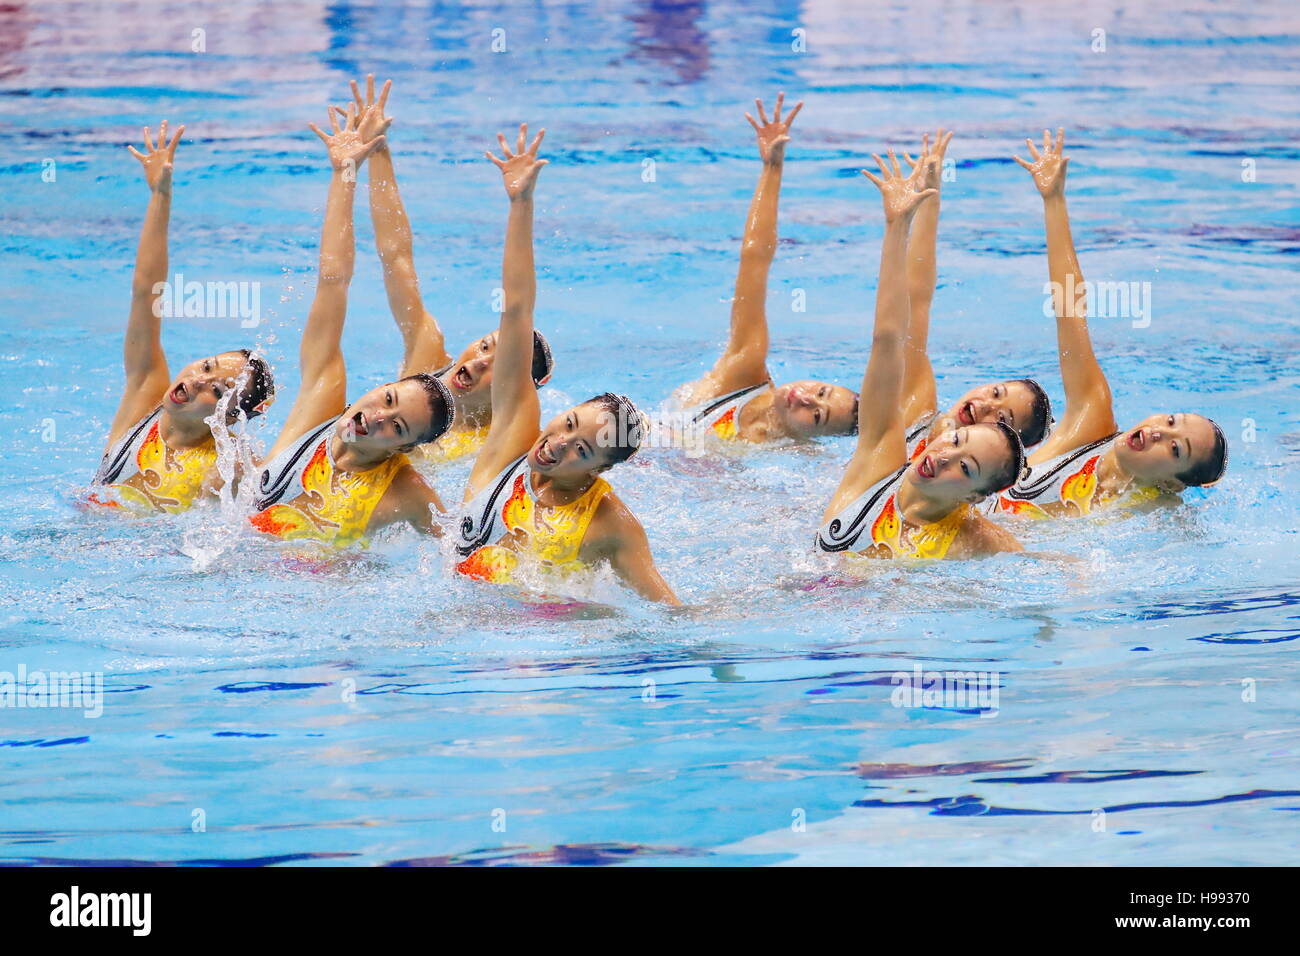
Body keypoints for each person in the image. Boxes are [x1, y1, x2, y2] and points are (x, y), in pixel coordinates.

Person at [455, 124, 679, 604]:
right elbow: (516, 311)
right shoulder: (513, 442)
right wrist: (520, 204)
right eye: (568, 423)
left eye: (580, 450)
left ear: (599, 470)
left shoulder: (612, 527)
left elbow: (668, 611)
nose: (555, 445)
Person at [985, 129, 1227, 518]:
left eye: (1174, 448)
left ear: (1170, 483)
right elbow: (1069, 309)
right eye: (1169, 420)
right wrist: (1053, 200)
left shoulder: (1151, 515)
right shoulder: (1090, 422)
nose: (1157, 432)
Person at [249, 103, 452, 548]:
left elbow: (457, 556)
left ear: (404, 449)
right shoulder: (314, 418)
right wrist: (346, 173)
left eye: (397, 427)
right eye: (388, 398)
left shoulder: (407, 493)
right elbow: (333, 281)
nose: (376, 417)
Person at [815, 150, 1025, 560]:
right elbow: (889, 340)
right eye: (956, 442)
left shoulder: (976, 542)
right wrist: (897, 226)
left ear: (976, 497)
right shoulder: (879, 461)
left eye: (965, 469)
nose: (943, 456)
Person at [341, 75, 554, 465]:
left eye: (497, 363)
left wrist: (521, 203)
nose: (476, 361)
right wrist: (377, 152)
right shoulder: (425, 358)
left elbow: (517, 306)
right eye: (485, 346)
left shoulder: (510, 435)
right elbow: (396, 258)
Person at [91, 121, 275, 515]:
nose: (197, 380)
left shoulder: (231, 469)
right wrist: (160, 194)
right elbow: (146, 294)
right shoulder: (144, 401)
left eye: (218, 390)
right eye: (206, 366)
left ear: (227, 419)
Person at [671, 93, 860, 444]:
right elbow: (754, 258)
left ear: (813, 438)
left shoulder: (794, 456)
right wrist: (772, 168)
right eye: (820, 390)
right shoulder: (743, 368)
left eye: (816, 415)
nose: (804, 397)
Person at [894, 130, 1054, 461]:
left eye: (1002, 418)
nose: (986, 406)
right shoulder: (915, 414)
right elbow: (914, 302)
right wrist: (929, 197)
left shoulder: (968, 494)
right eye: (996, 392)